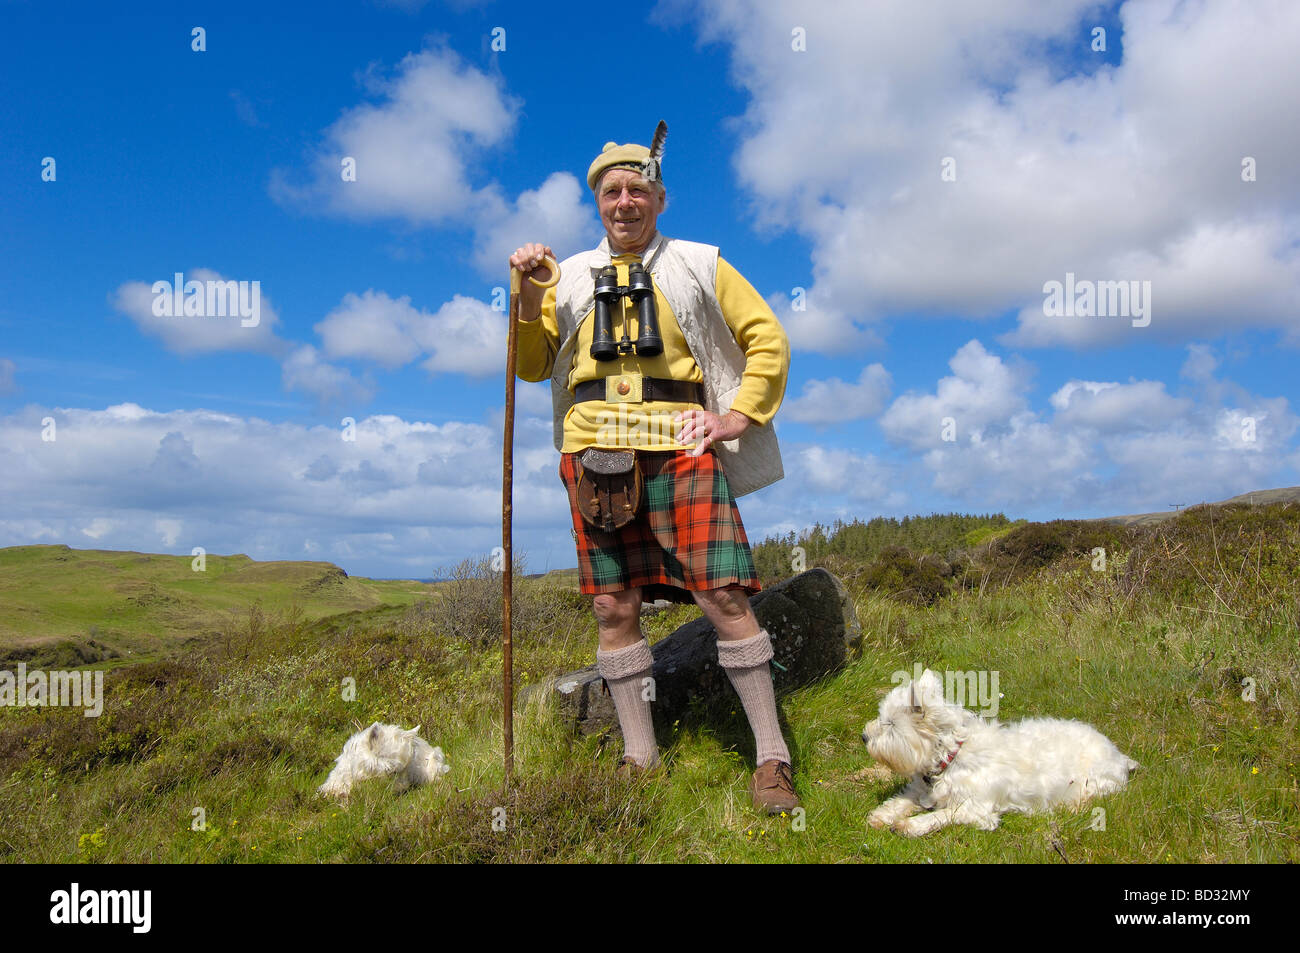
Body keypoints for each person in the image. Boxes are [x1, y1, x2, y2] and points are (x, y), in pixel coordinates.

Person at [508, 131, 796, 813]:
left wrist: (737, 415)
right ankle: (640, 759)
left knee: (723, 595)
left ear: (659, 197)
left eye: (638, 188)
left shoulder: (700, 262)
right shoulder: (566, 276)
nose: (625, 200)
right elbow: (530, 363)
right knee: (614, 605)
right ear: (598, 202)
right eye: (612, 191)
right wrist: (523, 295)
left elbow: (767, 337)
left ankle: (773, 758)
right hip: (593, 453)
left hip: (682, 444)